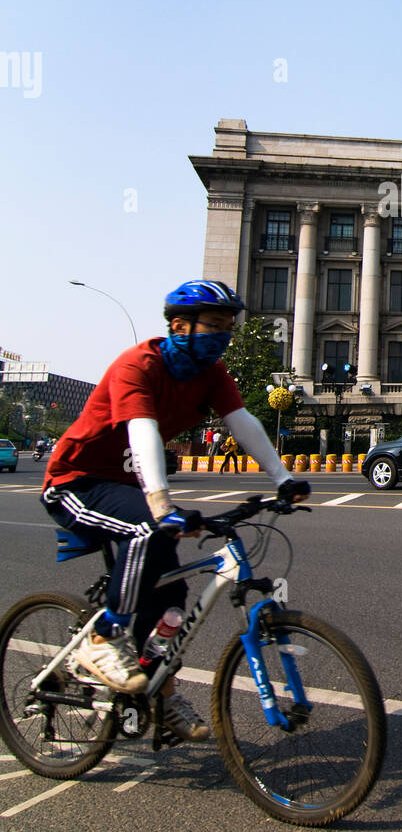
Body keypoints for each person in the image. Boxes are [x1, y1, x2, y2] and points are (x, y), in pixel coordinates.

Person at [41, 280, 292, 742]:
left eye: (227, 328)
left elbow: (243, 423)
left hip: (128, 488)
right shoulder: (139, 365)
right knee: (144, 530)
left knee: (172, 606)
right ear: (179, 324)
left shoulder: (211, 373)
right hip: (77, 482)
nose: (222, 336)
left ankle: (161, 691)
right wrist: (160, 505)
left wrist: (283, 479)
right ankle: (102, 639)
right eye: (213, 325)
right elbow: (142, 430)